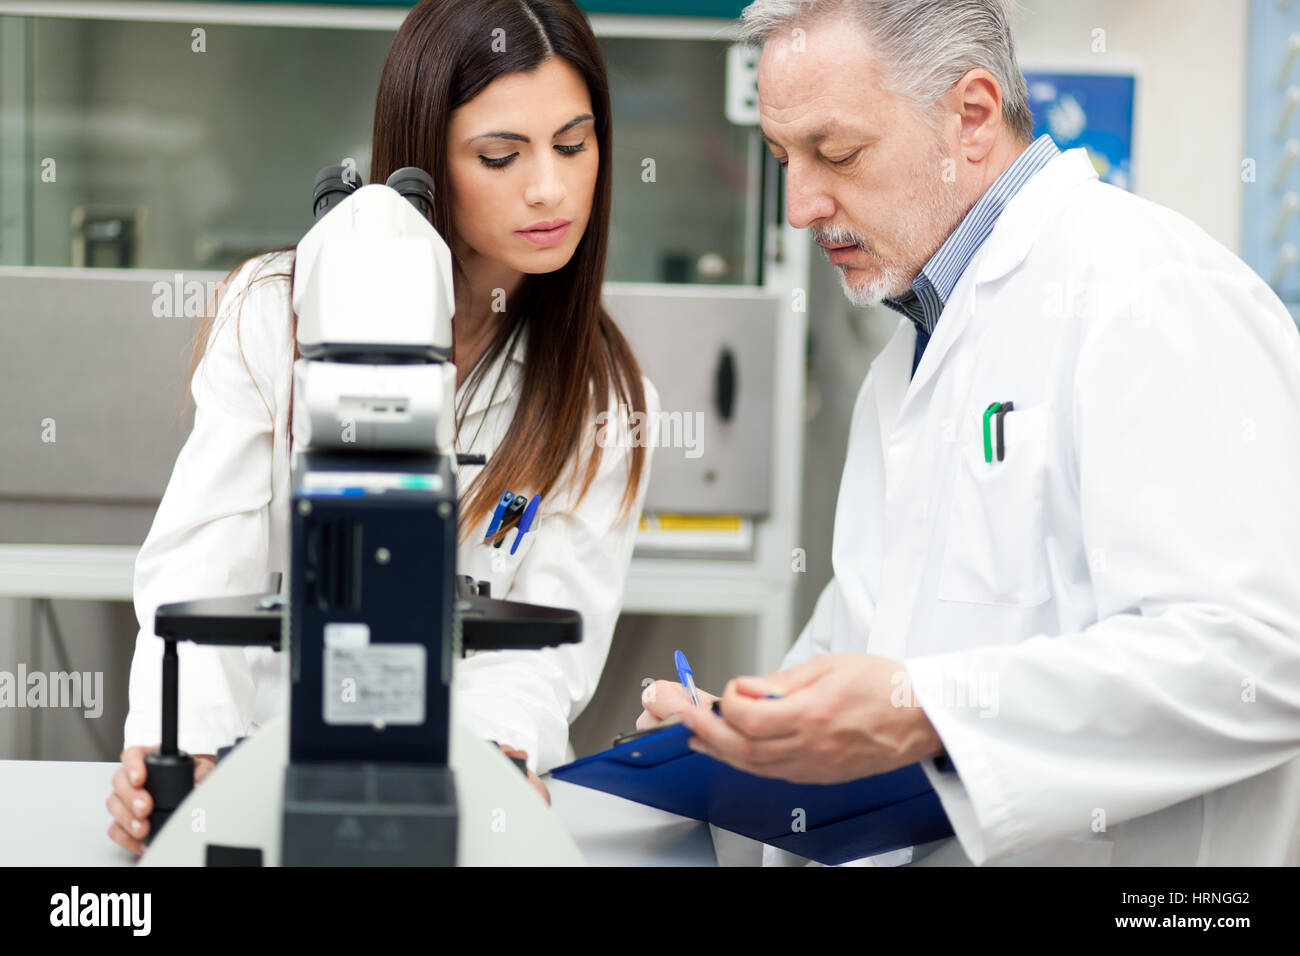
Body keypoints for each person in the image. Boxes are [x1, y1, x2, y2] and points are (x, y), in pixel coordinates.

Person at [642, 0, 1300, 866]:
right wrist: (749, 730)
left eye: (835, 153)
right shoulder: (911, 356)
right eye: (783, 159)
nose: (801, 205)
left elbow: (1260, 661)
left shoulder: (1146, 291)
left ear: (973, 117)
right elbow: (870, 643)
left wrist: (928, 710)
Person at [108, 0, 657, 856]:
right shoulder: (274, 312)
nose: (548, 186)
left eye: (574, 145)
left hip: (467, 795)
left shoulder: (604, 395)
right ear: (423, 159)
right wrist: (185, 755)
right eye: (502, 155)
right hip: (263, 769)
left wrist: (476, 772)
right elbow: (203, 557)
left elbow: (540, 654)